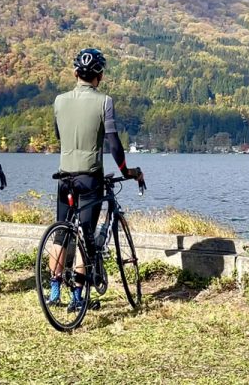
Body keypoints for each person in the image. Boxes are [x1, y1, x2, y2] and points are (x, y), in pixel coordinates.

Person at [49, 48, 143, 310]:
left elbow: (59, 135)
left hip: (64, 176)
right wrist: (127, 171)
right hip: (90, 177)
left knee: (60, 235)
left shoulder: (59, 101)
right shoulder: (105, 102)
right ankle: (78, 297)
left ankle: (54, 290)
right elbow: (114, 144)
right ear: (99, 76)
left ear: (75, 73)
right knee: (86, 234)